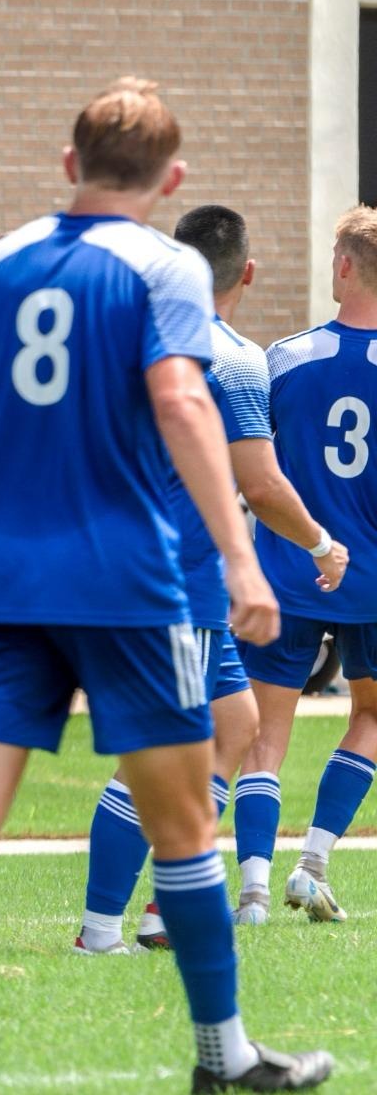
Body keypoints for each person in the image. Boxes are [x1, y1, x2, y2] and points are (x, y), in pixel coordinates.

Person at [0, 77, 331, 1095]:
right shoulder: (163, 263)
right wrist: (235, 553)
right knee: (181, 822)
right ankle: (222, 1052)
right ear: (169, 179)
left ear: (65, 164)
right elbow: (178, 397)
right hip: (124, 584)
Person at [75, 205, 347, 953]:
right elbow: (260, 484)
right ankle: (99, 931)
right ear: (247, 274)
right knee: (158, 754)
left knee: (236, 726)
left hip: (147, 571)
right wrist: (323, 544)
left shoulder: (125, 338)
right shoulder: (232, 355)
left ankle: (166, 910)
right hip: (173, 579)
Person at [230, 206, 377, 923]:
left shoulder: (282, 358)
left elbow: (253, 469)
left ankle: (253, 889)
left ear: (344, 267)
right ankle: (312, 863)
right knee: (371, 716)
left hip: (286, 572)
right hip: (372, 583)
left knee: (263, 735)